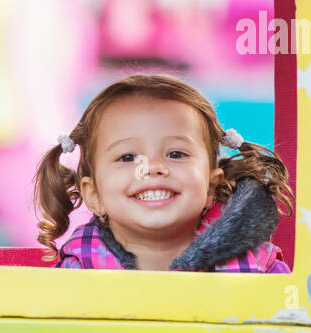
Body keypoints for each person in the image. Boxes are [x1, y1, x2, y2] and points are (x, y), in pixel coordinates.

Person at [35, 73, 293, 272]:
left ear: (211, 186)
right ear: (94, 195)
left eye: (176, 154)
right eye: (127, 157)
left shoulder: (256, 267)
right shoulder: (78, 268)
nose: (153, 167)